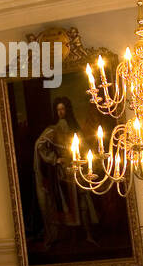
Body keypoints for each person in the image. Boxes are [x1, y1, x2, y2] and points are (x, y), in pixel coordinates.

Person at [32, 95, 98, 248]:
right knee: (68, 206)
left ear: (67, 110)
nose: (61, 112)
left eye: (63, 109)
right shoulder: (53, 130)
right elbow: (39, 145)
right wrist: (55, 159)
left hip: (78, 170)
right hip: (63, 173)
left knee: (83, 203)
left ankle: (88, 235)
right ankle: (73, 239)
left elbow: (85, 148)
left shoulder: (75, 129)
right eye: (58, 109)